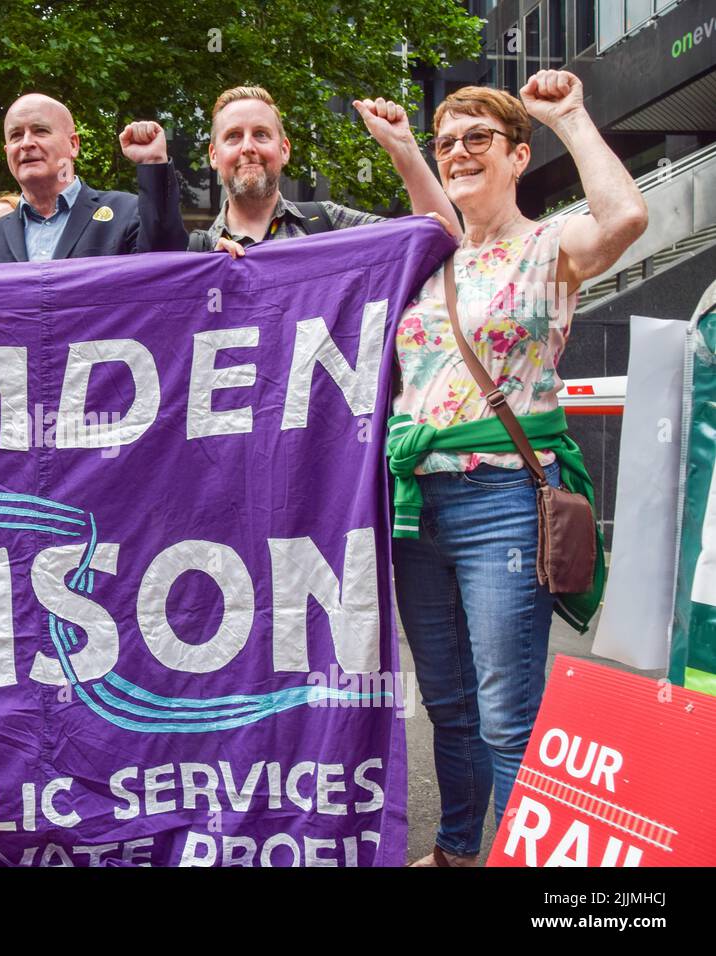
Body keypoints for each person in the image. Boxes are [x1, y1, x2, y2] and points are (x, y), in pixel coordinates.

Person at [385, 72, 647, 866]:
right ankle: (460, 849)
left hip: (502, 499)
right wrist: (402, 149)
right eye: (447, 144)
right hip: (415, 509)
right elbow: (430, 210)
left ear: (517, 155)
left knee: (507, 711)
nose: (460, 153)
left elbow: (626, 217)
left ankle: (526, 864)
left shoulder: (547, 246)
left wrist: (570, 113)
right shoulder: (426, 256)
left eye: (478, 140)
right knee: (450, 706)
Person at [195, 85, 459, 255]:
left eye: (262, 135)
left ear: (284, 150)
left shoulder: (328, 224)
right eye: (233, 136)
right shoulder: (194, 255)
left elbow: (440, 241)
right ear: (214, 155)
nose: (247, 147)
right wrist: (210, 275)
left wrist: (403, 147)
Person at [0, 93, 187, 264]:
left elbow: (166, 268)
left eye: (40, 131)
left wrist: (153, 162)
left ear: (73, 144)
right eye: (16, 135)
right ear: (7, 150)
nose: (26, 143)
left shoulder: (127, 214)